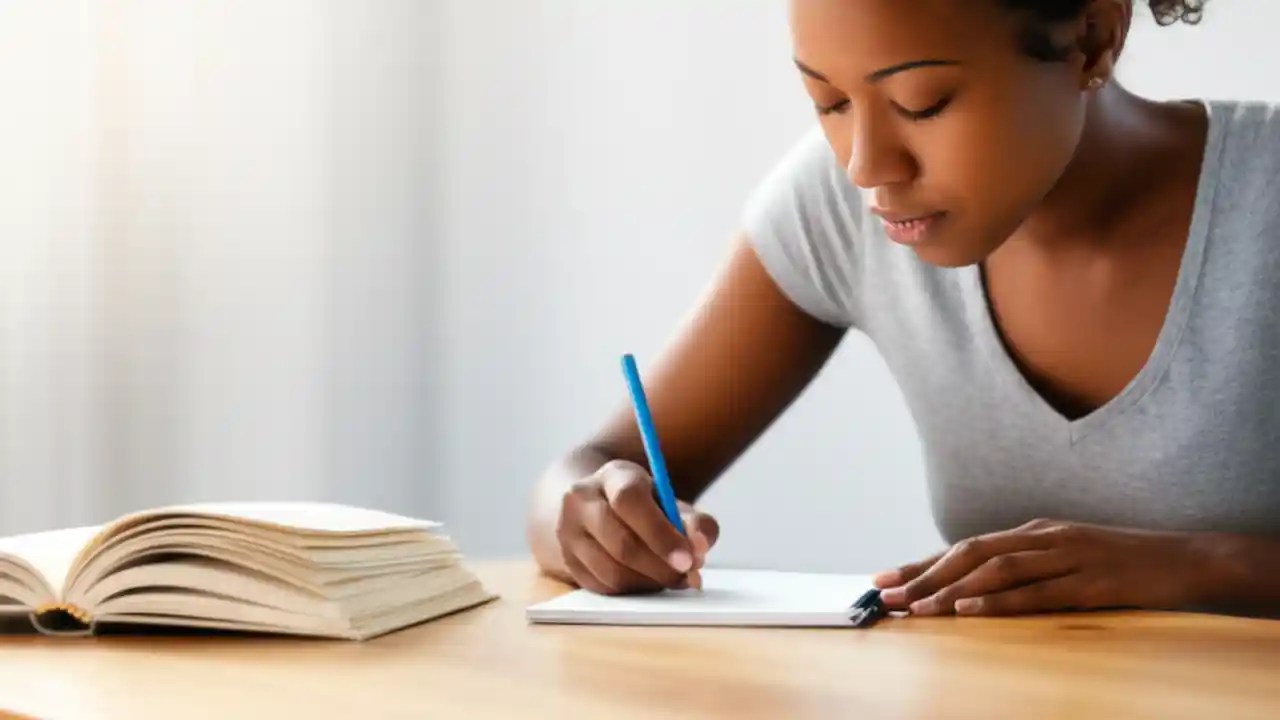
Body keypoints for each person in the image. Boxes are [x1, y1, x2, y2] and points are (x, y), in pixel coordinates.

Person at [526, 0, 1280, 617]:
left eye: (923, 103)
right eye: (829, 102)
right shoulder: (839, 209)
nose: (867, 166)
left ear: (1091, 38)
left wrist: (1194, 567)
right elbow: (590, 469)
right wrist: (590, 518)